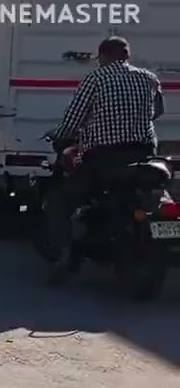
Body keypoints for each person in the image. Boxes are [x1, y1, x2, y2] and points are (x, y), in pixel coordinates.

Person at [44, 36, 163, 278]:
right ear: (127, 56)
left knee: (60, 202)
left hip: (104, 160)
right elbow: (157, 112)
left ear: (103, 56)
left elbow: (72, 120)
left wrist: (57, 134)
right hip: (143, 156)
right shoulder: (149, 79)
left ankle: (65, 257)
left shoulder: (95, 79)